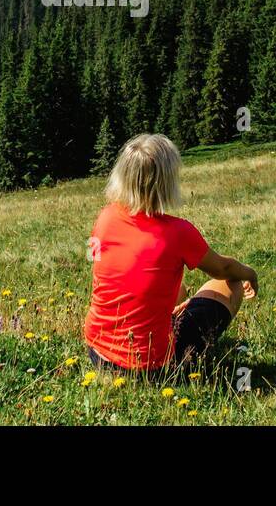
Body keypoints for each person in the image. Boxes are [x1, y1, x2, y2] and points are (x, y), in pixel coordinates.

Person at [83, 133, 258, 373]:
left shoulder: (105, 217)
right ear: (166, 181)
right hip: (152, 367)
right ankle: (176, 353)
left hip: (98, 353)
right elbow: (224, 270)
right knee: (231, 284)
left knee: (180, 289)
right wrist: (250, 273)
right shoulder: (178, 232)